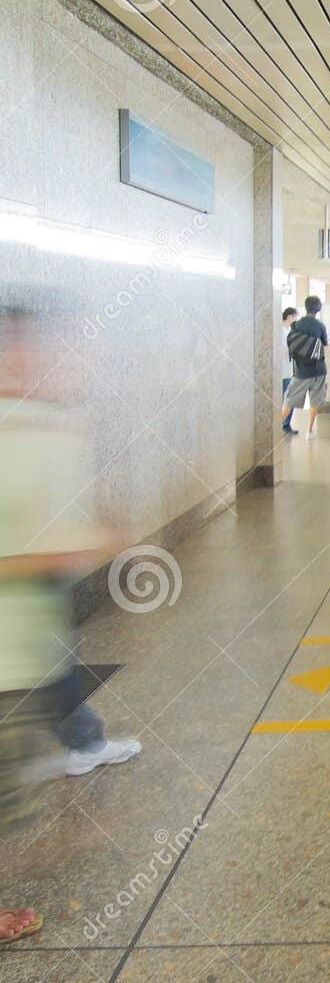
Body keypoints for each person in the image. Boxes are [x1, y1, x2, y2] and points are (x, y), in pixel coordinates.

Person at [0, 301, 141, 940]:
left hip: (28, 644)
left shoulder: (47, 426)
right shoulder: (35, 428)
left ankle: (82, 741)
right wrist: (86, 542)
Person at [282, 295, 328, 439]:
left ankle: (275, 427)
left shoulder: (296, 325)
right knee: (315, 401)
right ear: (318, 310)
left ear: (306, 307)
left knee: (289, 400)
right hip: (318, 370)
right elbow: (324, 346)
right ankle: (309, 431)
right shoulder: (320, 326)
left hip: (300, 371)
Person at [280, 306, 298, 434]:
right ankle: (284, 424)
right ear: (290, 316)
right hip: (283, 371)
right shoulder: (281, 331)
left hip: (288, 371)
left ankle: (285, 424)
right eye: (295, 317)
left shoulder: (287, 331)